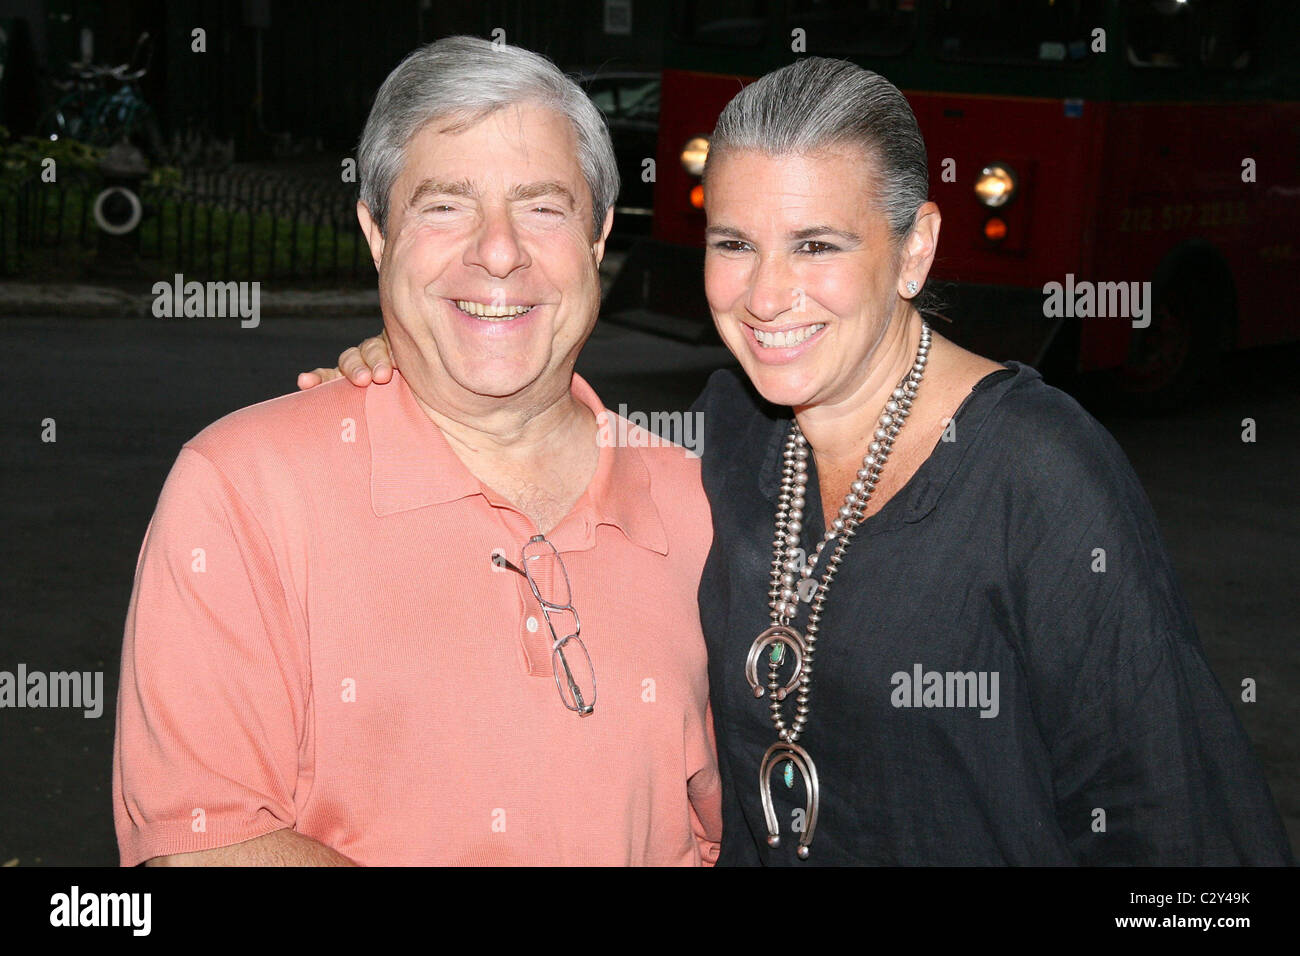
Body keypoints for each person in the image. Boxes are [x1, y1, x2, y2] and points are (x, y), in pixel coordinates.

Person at [302, 57, 1292, 865]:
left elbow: (1182, 830)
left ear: (913, 250)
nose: (767, 294)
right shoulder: (734, 424)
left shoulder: (1037, 472)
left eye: (817, 244)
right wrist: (426, 356)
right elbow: (541, 421)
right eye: (733, 241)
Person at [113, 36, 721, 867]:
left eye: (544, 206)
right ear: (376, 233)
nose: (498, 251)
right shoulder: (241, 489)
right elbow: (206, 840)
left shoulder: (703, 503)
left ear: (600, 235)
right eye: (444, 206)